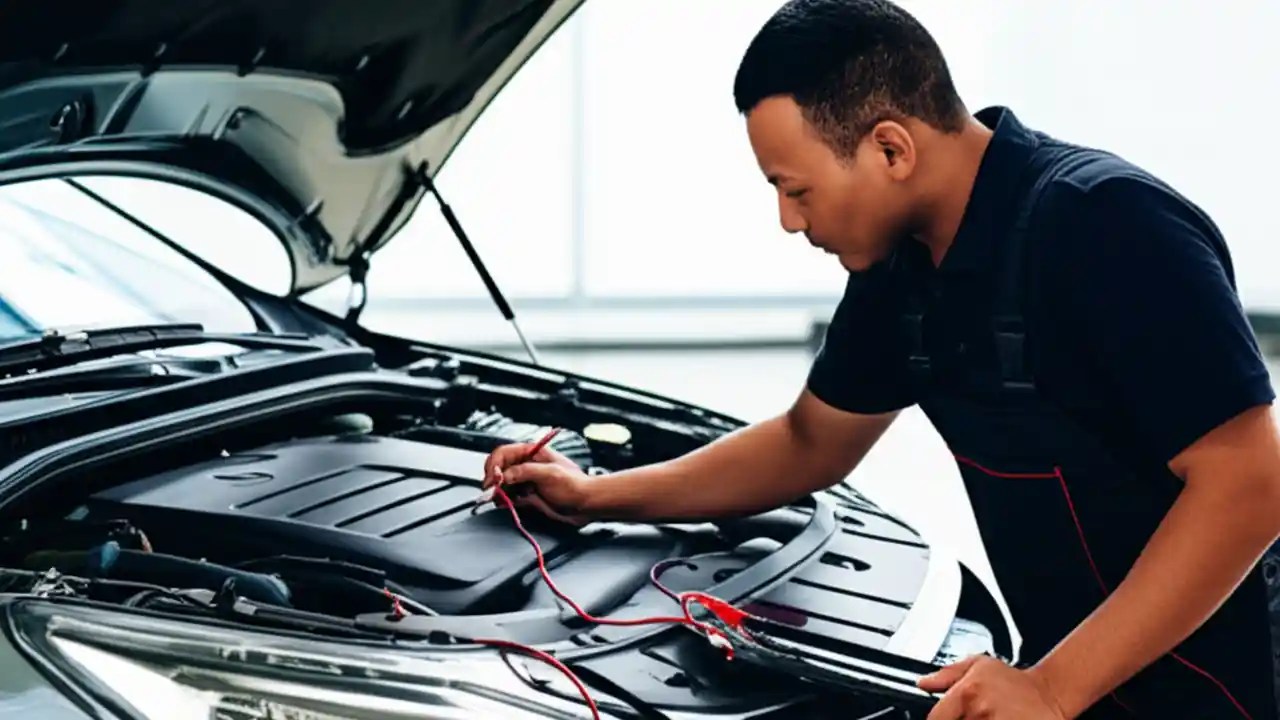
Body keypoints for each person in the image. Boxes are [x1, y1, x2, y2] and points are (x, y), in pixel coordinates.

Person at [481, 1, 1280, 717]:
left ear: (891, 148)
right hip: (1091, 671)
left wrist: (1053, 686)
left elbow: (1248, 482)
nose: (789, 221)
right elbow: (809, 442)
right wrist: (594, 499)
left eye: (796, 189)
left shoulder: (1106, 225)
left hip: (1228, 677)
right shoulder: (902, 271)